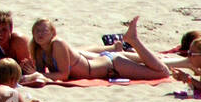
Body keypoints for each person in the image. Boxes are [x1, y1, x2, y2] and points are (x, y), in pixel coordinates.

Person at [30, 16, 172, 83]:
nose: (40, 34)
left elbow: (63, 75)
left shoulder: (58, 44)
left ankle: (134, 40)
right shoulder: (38, 49)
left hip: (112, 65)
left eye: (44, 31)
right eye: (36, 31)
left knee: (163, 72)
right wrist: (34, 73)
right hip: (102, 61)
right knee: (155, 65)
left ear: (53, 33)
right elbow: (42, 74)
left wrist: (35, 75)